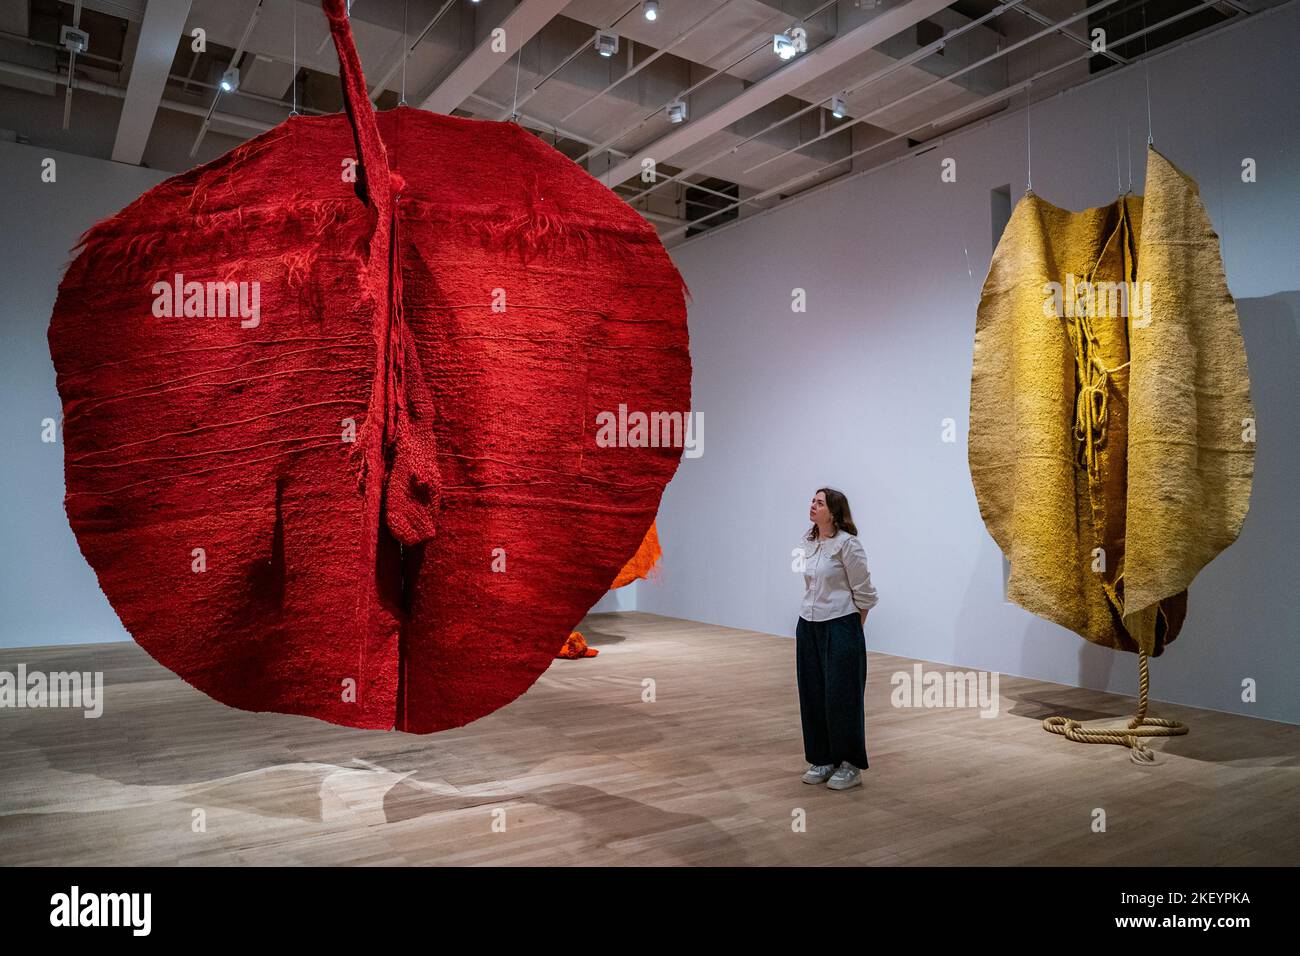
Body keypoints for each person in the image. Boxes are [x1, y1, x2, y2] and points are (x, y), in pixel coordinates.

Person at [796, 487, 878, 790]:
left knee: (842, 696)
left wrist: (853, 632)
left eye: (820, 503)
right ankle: (822, 758)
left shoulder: (848, 546)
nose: (813, 506)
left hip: (841, 625)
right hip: (808, 625)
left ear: (834, 511)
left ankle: (850, 764)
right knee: (813, 693)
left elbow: (866, 594)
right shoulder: (809, 542)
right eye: (813, 501)